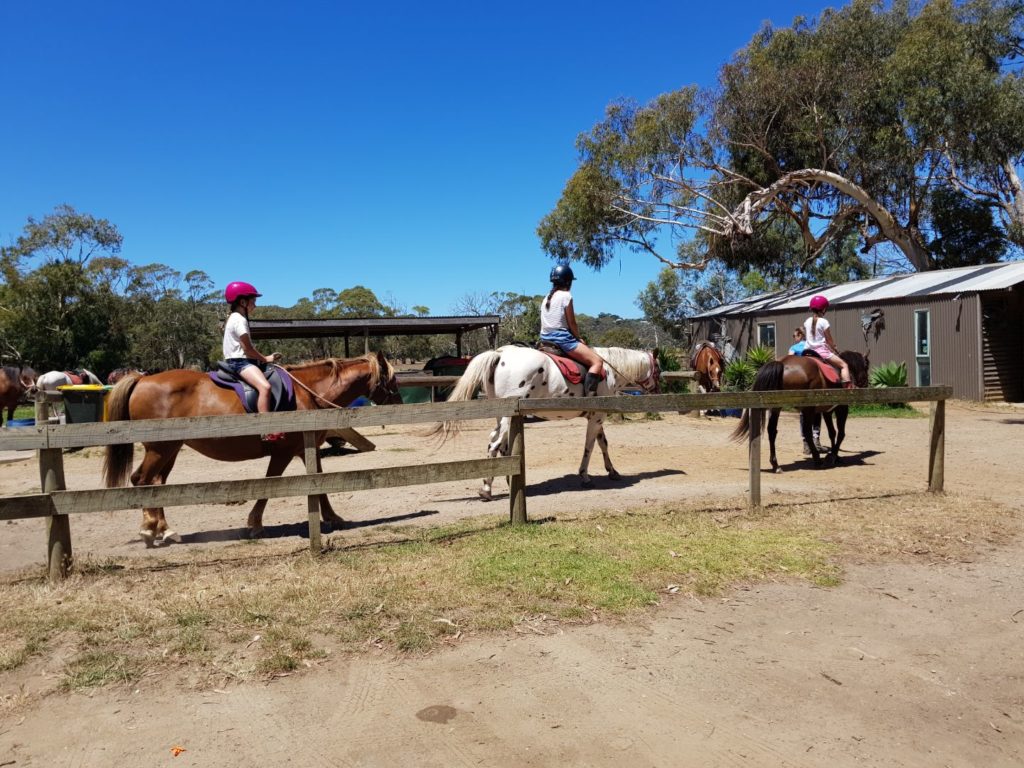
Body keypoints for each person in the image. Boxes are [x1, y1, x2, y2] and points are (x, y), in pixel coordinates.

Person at [222, 281, 284, 441]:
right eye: (253, 301)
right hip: (240, 362)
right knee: (265, 387)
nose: (255, 305)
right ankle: (266, 429)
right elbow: (247, 349)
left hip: (238, 360)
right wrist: (266, 358)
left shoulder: (234, 318)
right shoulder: (239, 320)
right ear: (242, 302)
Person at [539, 264, 604, 395]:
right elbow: (572, 323)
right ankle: (590, 399)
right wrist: (578, 338)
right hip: (562, 340)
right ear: (568, 281)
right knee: (597, 361)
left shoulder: (546, 297)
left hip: (544, 339)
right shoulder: (566, 296)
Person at [803, 295, 851, 388]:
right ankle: (848, 390)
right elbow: (829, 340)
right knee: (844, 365)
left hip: (807, 351)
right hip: (821, 352)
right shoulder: (823, 321)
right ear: (823, 309)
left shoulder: (807, 321)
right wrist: (834, 348)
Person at [788, 327, 822, 455]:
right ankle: (816, 439)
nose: (794, 338)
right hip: (816, 382)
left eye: (794, 336)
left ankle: (805, 442)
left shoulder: (794, 348)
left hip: (801, 385)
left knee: (803, 413)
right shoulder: (812, 347)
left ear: (800, 335)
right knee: (818, 411)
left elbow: (789, 360)